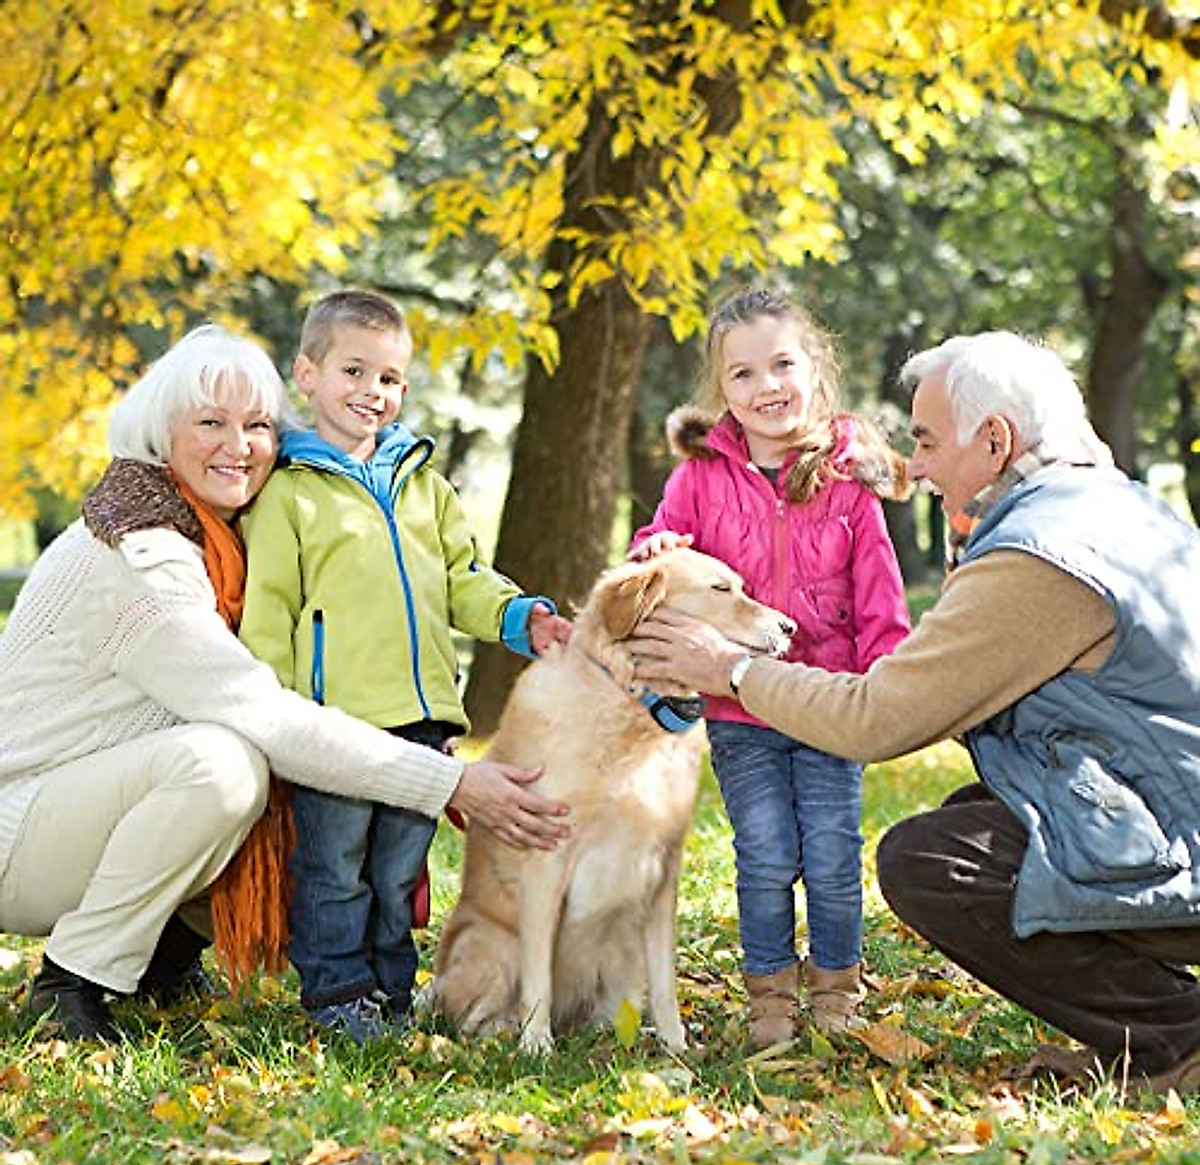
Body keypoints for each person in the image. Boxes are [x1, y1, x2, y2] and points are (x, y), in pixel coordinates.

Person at [626, 329, 1200, 1096]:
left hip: (1185, 839)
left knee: (937, 863)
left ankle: (1178, 1036)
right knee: (988, 820)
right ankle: (1148, 1032)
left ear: (994, 440)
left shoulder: (1045, 555)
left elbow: (878, 717)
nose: (915, 464)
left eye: (927, 441)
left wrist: (728, 668)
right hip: (1177, 810)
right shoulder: (1116, 507)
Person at [0, 324, 570, 1045]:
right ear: (160, 431)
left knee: (279, 778)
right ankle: (71, 983)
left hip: (77, 804)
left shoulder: (222, 536)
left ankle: (162, 962)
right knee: (225, 765)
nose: (237, 445)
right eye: (210, 422)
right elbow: (260, 710)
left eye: (257, 425)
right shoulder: (143, 552)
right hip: (17, 827)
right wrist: (450, 784)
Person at [239, 290, 572, 1042]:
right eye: (353, 371)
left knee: (397, 874)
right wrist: (278, 719)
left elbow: (464, 579)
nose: (372, 392)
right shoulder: (289, 494)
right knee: (334, 868)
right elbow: (270, 614)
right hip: (336, 726)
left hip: (423, 722)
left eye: (388, 379)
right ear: (308, 374)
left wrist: (521, 617)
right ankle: (336, 995)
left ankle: (390, 993)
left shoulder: (425, 484)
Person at [628, 286, 910, 1047]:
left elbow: (881, 599)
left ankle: (837, 990)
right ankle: (770, 997)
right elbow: (662, 548)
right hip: (740, 712)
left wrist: (883, 684)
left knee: (830, 854)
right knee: (762, 855)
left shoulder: (848, 488)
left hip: (827, 704)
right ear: (722, 390)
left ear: (815, 368)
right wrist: (652, 547)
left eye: (783, 364)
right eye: (744, 374)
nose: (767, 388)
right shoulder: (699, 479)